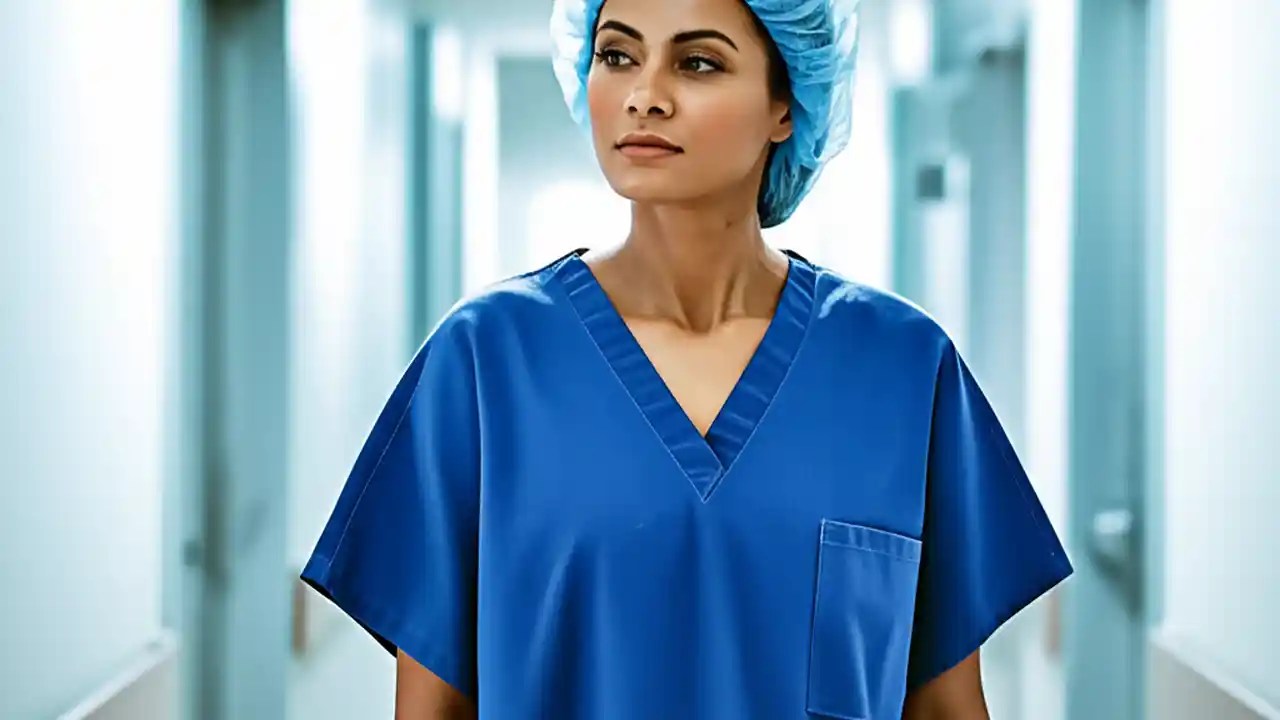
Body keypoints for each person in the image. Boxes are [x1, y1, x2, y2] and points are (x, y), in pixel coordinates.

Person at [300, 0, 1073, 716]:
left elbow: (945, 708)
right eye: (617, 55)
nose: (645, 96)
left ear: (785, 104)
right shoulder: (485, 360)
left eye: (697, 62)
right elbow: (432, 709)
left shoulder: (902, 367)